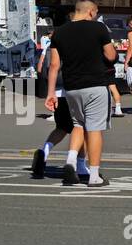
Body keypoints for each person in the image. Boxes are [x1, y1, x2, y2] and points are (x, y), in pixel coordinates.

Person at [43, 0, 116, 188]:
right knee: (94, 130)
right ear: (91, 12)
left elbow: (54, 65)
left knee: (78, 124)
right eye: (96, 12)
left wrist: (50, 93)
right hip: (95, 85)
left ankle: (72, 161)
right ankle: (93, 175)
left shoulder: (59, 32)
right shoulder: (98, 28)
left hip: (72, 88)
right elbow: (111, 55)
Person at [30, 27, 88, 181]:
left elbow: (44, 66)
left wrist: (49, 91)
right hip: (73, 90)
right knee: (81, 127)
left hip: (57, 91)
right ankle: (80, 165)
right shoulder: (74, 46)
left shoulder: (50, 47)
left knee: (61, 127)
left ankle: (45, 151)